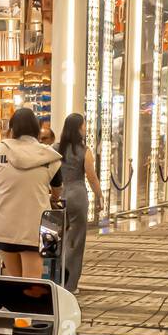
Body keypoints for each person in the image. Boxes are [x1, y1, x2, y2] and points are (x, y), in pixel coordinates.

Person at [0, 108, 63, 278]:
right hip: (37, 223)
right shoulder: (51, 156)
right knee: (33, 281)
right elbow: (57, 190)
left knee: (12, 278)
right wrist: (52, 197)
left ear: (12, 129)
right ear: (36, 129)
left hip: (4, 221)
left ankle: (14, 305)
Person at [55, 112, 105, 291]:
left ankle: (55, 279)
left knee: (57, 240)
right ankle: (70, 284)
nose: (85, 129)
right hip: (77, 195)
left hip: (59, 195)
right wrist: (99, 195)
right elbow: (91, 177)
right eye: (83, 125)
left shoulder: (55, 149)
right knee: (75, 241)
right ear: (77, 128)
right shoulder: (84, 151)